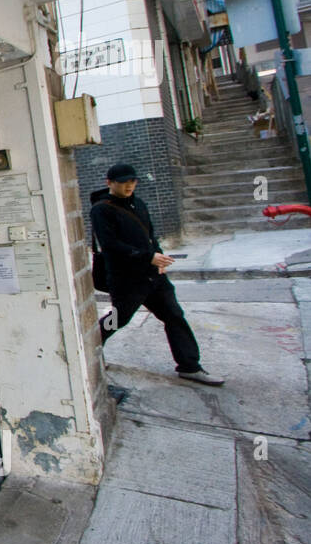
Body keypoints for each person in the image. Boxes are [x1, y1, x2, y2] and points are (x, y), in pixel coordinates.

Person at [91, 163, 224, 386]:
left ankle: (189, 366)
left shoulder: (139, 203)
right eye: (124, 182)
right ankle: (91, 349)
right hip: (126, 279)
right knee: (117, 319)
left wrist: (159, 258)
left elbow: (150, 237)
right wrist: (147, 257)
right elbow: (110, 245)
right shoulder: (101, 209)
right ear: (109, 183)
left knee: (174, 315)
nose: (129, 185)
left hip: (154, 276)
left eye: (132, 181)